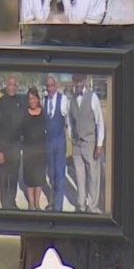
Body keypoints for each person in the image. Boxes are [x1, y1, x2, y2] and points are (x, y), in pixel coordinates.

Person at [67, 73, 106, 213]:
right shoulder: (70, 100)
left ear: (84, 81)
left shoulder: (92, 97)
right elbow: (70, 122)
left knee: (93, 176)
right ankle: (81, 204)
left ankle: (92, 206)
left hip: (90, 142)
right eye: (75, 81)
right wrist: (72, 138)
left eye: (79, 81)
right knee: (79, 175)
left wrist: (99, 144)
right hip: (77, 144)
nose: (77, 84)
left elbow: (99, 122)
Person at [0, 76, 26, 209]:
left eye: (15, 85)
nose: (13, 87)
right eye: (10, 85)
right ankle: (4, 203)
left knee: (14, 176)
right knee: (4, 177)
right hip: (4, 148)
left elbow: (24, 123)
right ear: (7, 86)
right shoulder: (0, 103)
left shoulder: (20, 102)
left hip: (16, 147)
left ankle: (12, 201)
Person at [41, 74, 70, 211]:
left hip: (59, 141)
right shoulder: (44, 100)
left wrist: (68, 137)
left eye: (52, 86)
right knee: (51, 174)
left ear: (56, 86)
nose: (50, 88)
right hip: (48, 141)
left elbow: (68, 119)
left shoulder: (63, 99)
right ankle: (52, 201)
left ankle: (58, 208)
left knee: (59, 174)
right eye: (48, 86)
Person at [20, 87, 47, 210]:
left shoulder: (43, 112)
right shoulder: (24, 113)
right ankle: (31, 203)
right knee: (30, 178)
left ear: (38, 98)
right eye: (30, 98)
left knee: (39, 178)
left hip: (41, 150)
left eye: (34, 98)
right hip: (28, 151)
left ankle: (37, 203)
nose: (32, 101)